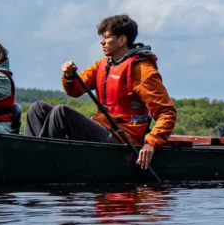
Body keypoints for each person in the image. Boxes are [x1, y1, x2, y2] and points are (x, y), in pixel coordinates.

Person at [25, 14, 177, 170]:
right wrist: (69, 76)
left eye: (106, 37)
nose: (101, 42)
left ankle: (43, 165)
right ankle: (28, 157)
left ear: (122, 40)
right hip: (102, 127)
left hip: (124, 139)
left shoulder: (142, 70)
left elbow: (167, 112)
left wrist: (151, 142)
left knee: (61, 112)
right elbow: (75, 90)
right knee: (37, 108)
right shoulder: (103, 64)